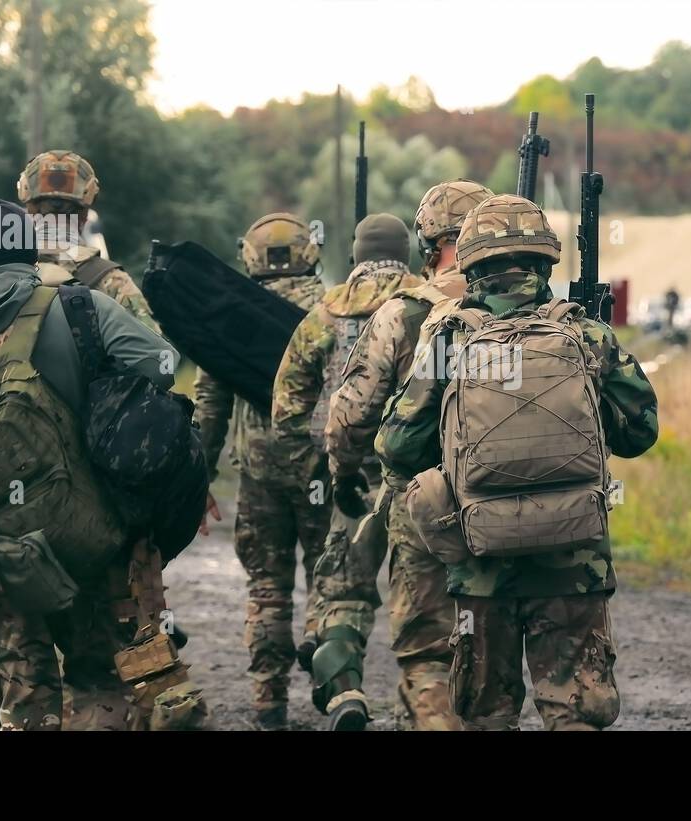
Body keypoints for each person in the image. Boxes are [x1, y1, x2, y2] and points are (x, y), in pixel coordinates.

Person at [0, 197, 196, 730]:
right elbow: (161, 363)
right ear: (33, 253)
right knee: (98, 679)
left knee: (26, 697)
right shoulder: (79, 304)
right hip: (88, 528)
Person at [374, 194, 659, 730]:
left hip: (482, 568)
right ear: (544, 260)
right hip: (574, 563)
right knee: (577, 711)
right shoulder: (584, 332)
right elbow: (641, 432)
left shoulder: (447, 336)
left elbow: (396, 446)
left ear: (470, 263)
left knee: (487, 716)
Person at [0, 150, 159, 730]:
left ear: (25, 202)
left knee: (3, 598)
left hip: (1, 490)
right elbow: (157, 372)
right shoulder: (109, 282)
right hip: (89, 489)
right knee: (102, 636)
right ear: (87, 203)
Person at [311, 180, 492, 730]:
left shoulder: (406, 313)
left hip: (424, 504)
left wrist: (344, 477)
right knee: (496, 656)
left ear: (429, 241)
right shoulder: (536, 310)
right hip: (514, 505)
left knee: (429, 653)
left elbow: (349, 419)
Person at [272, 212, 422, 729]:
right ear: (408, 252)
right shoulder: (432, 305)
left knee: (342, 588)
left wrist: (312, 461)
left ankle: (343, 691)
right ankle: (426, 704)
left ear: (355, 254)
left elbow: (288, 398)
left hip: (349, 473)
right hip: (419, 475)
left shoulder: (326, 311)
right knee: (428, 593)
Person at [191, 213, 328, 730]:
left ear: (249, 255)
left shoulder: (231, 312)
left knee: (267, 587)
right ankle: (332, 675)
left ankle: (269, 704)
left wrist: (198, 479)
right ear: (308, 251)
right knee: (327, 577)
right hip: (322, 464)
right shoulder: (332, 307)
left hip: (259, 469)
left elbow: (210, 403)